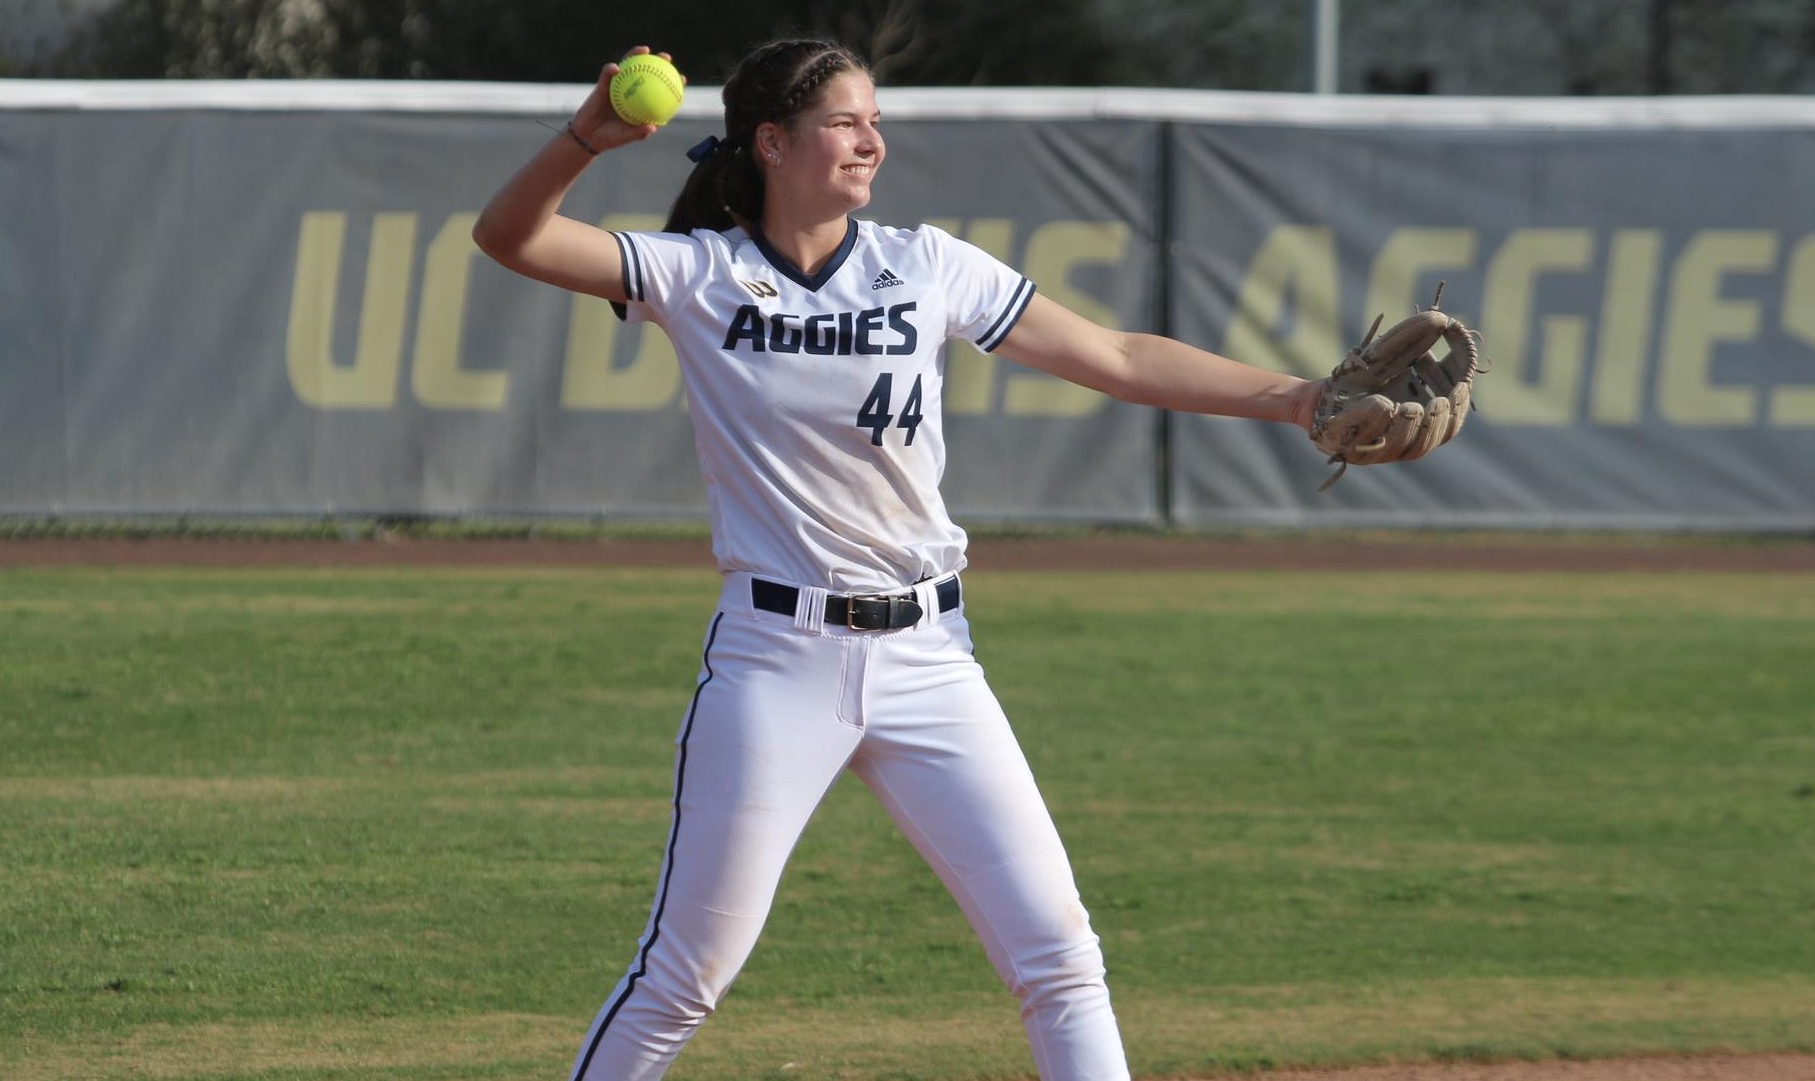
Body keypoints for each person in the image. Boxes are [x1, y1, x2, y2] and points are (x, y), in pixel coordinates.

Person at [473, 40, 1322, 1081]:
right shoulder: (701, 274)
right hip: (777, 660)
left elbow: (1115, 356)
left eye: (874, 118)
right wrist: (583, 141)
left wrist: (1297, 397)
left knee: (1060, 958)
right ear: (772, 142)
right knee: (684, 974)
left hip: (932, 656)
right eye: (844, 121)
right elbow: (510, 238)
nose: (871, 139)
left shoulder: (924, 265)